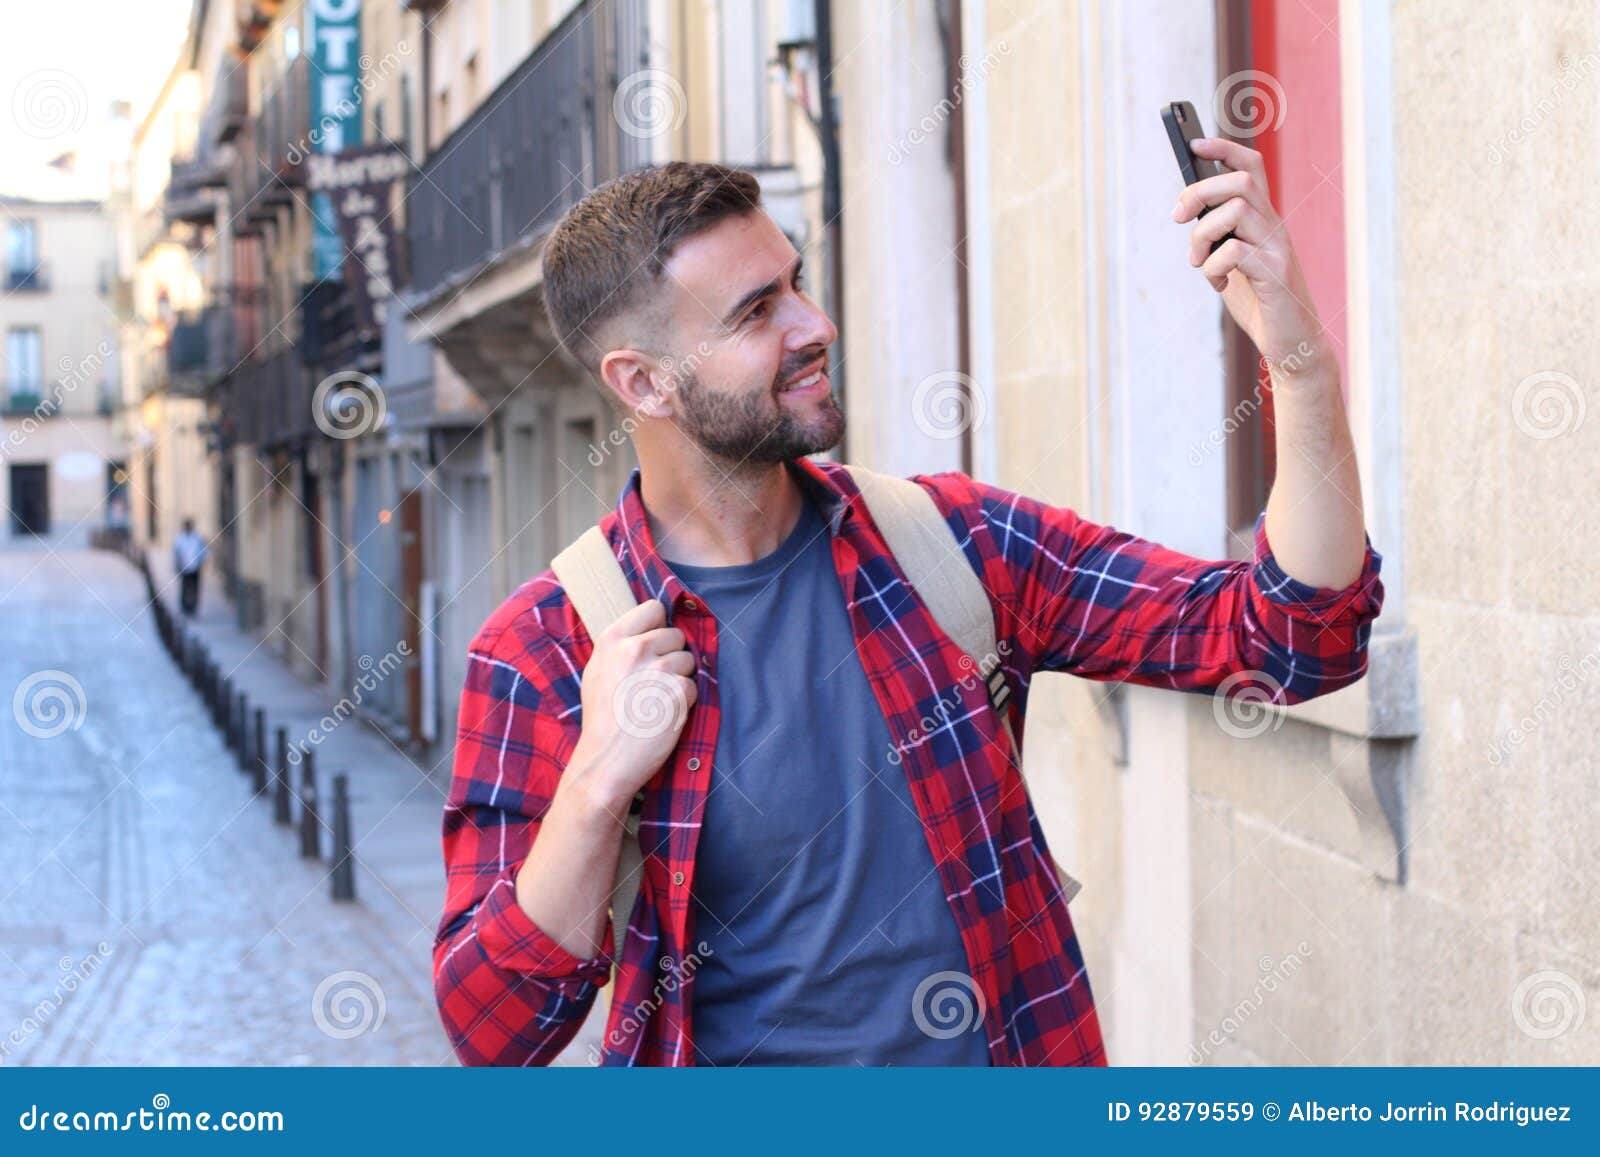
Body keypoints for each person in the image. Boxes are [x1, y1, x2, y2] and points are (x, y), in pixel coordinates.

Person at [434, 154, 1383, 1067]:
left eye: (795, 282)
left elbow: (1291, 640)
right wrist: (598, 785)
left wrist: (1300, 367)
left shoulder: (948, 544)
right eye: (758, 311)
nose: (815, 323)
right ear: (644, 382)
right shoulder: (546, 649)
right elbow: (494, 1031)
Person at [173, 518, 208, 617]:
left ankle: (193, 607)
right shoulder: (180, 538)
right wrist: (177, 564)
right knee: (184, 588)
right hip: (184, 568)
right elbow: (176, 553)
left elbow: (204, 551)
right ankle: (184, 608)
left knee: (195, 588)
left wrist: (201, 563)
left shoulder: (198, 538)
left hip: (195, 568)